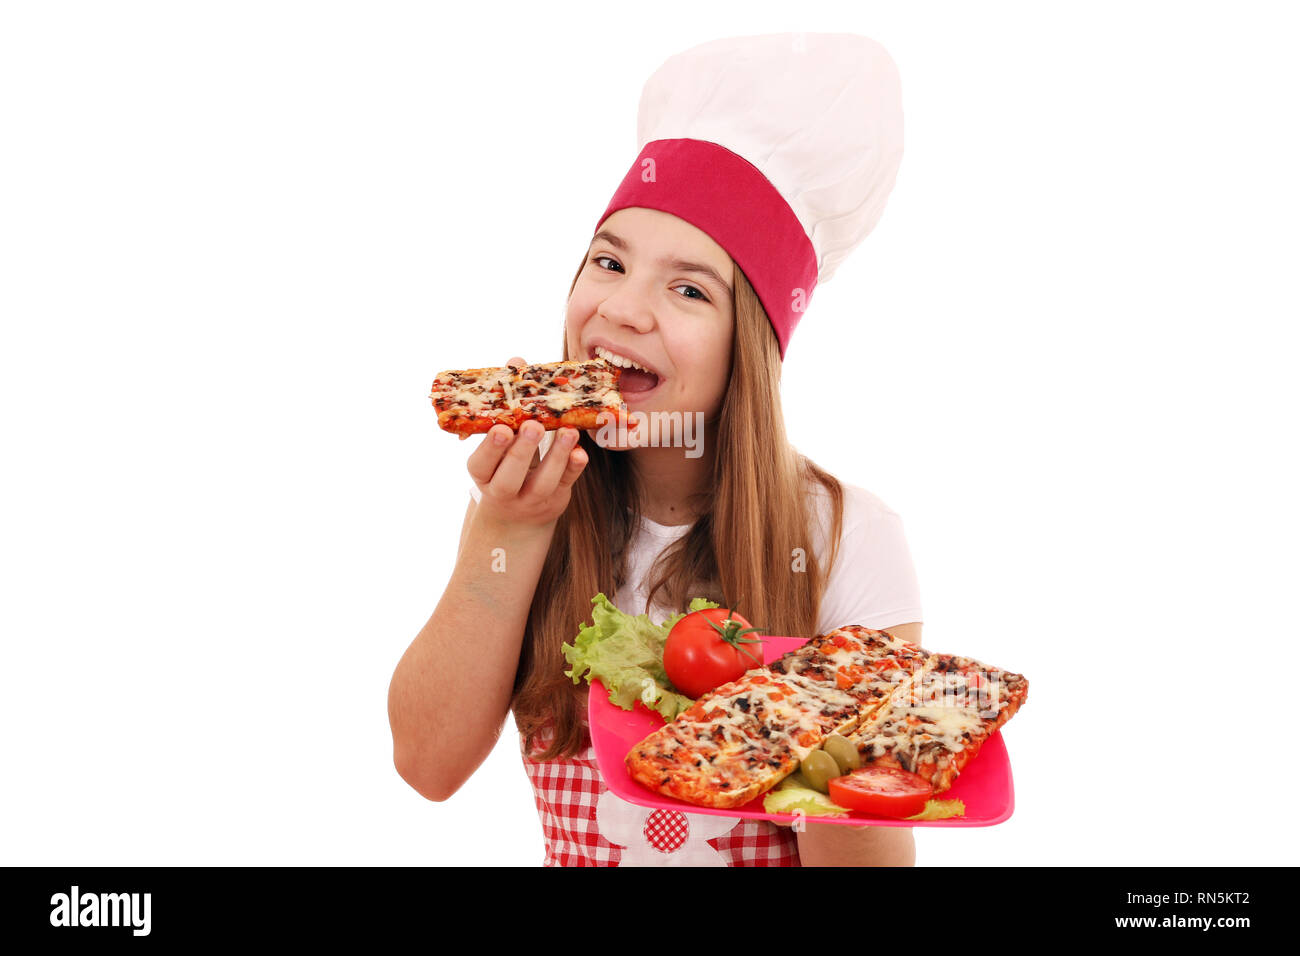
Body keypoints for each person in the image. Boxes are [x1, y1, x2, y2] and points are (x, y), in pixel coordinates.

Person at [389, 33, 923, 866]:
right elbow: (427, 764)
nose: (624, 310)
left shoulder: (846, 536)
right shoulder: (525, 503)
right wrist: (507, 532)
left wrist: (821, 719)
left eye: (687, 288)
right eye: (608, 261)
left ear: (747, 348)